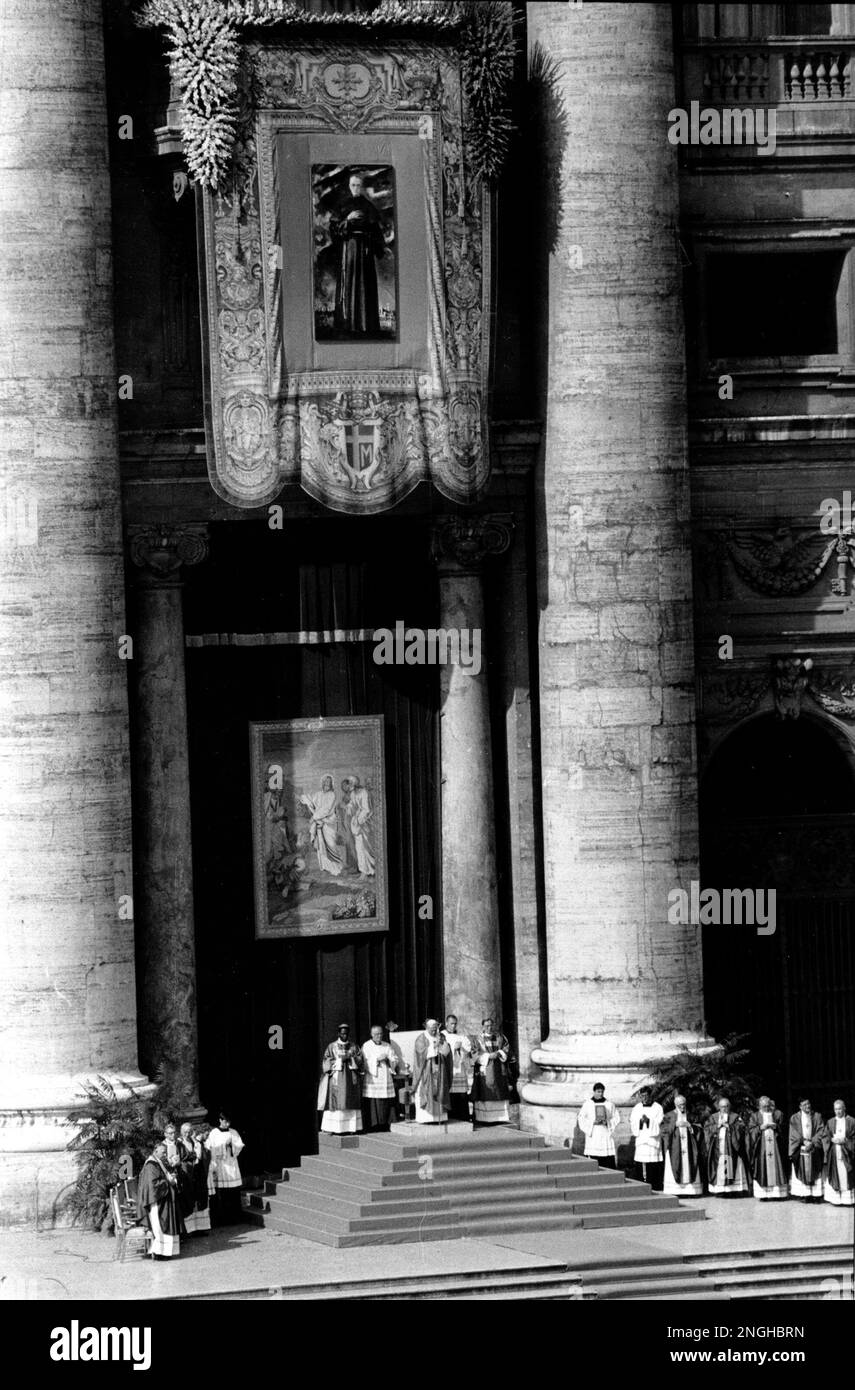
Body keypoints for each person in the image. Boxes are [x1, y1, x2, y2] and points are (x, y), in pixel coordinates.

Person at [332, 172, 385, 336]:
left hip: (365, 251)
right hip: (348, 250)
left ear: (362, 187)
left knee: (365, 285)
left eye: (358, 185)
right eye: (353, 185)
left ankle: (366, 326)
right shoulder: (342, 206)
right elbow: (333, 229)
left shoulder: (369, 206)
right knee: (349, 283)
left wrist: (374, 245)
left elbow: (376, 231)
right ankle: (347, 325)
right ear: (349, 186)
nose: (356, 188)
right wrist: (347, 220)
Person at [137, 1140, 184, 1259]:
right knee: (161, 1225)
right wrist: (168, 1181)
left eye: (165, 1152)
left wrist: (170, 1177)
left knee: (167, 1224)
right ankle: (159, 1253)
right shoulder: (150, 1165)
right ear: (155, 1151)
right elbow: (153, 1185)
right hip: (157, 1201)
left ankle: (166, 1252)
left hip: (164, 1198)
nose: (165, 1155)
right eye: (163, 1152)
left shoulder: (158, 1162)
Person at [318, 1023, 363, 1134]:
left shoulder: (353, 1046)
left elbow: (360, 1060)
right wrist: (339, 1060)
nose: (345, 1036)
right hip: (336, 1079)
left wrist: (351, 1058)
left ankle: (351, 1128)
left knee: (350, 1100)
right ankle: (333, 1128)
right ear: (338, 1033)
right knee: (336, 1102)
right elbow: (326, 1061)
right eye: (342, 1034)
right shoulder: (332, 1046)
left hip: (350, 1079)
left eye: (346, 1034)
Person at [205, 1112, 245, 1225]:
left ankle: (235, 1217)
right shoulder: (214, 1133)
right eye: (225, 1121)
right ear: (220, 1120)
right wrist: (223, 1145)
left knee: (233, 1192)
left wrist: (231, 1145)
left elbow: (239, 1146)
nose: (227, 1123)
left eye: (229, 1121)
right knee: (222, 1193)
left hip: (232, 1164)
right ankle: (222, 1219)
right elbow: (209, 1147)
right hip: (221, 1166)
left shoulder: (233, 1132)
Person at [704, 1096, 750, 1195]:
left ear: (729, 1107)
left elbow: (742, 1129)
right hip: (718, 1148)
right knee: (720, 1166)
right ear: (719, 1107)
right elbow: (707, 1129)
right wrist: (717, 1126)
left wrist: (730, 1127)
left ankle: (732, 1190)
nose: (724, 1109)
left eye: (726, 1106)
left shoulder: (735, 1116)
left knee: (731, 1165)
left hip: (731, 1149)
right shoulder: (713, 1117)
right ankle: (720, 1190)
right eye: (722, 1107)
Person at [471, 1018, 512, 1125]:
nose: (489, 1028)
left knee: (499, 1091)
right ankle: (485, 1118)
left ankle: (500, 1118)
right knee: (486, 1092)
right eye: (486, 1026)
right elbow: (474, 1053)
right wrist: (489, 1056)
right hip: (486, 1069)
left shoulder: (500, 1037)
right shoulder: (478, 1039)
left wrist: (499, 1053)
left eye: (491, 1025)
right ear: (483, 1026)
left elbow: (507, 1048)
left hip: (499, 1068)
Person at [299, 776, 343, 876]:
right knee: (321, 847)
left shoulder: (332, 795)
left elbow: (326, 809)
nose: (327, 784)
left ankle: (336, 867)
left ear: (331, 784)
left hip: (329, 824)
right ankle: (325, 868)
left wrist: (314, 817)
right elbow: (311, 801)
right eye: (325, 782)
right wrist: (304, 798)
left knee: (331, 845)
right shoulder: (318, 794)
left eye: (329, 782)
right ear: (322, 783)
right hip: (319, 824)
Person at [661, 1094, 704, 1197]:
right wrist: (674, 1125)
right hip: (675, 1147)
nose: (682, 1107)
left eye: (684, 1104)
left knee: (690, 1164)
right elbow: (663, 1130)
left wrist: (690, 1126)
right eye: (680, 1105)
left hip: (689, 1147)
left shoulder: (691, 1115)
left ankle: (691, 1191)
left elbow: (700, 1128)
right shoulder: (669, 1116)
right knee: (676, 1164)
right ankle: (676, 1191)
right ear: (675, 1105)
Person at [411, 1018, 452, 1124]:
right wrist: (434, 1046)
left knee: (440, 1090)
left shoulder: (441, 1036)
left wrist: (445, 1047)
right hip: (426, 1071)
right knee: (427, 1091)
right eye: (432, 1029)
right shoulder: (421, 1038)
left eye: (435, 1029)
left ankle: (440, 1117)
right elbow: (421, 1054)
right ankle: (426, 1118)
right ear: (426, 1028)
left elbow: (447, 1050)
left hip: (440, 1069)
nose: (434, 1032)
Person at [747, 1096, 788, 1201]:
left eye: (768, 1106)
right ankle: (763, 1194)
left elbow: (785, 1128)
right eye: (764, 1106)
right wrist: (760, 1128)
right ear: (759, 1106)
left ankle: (778, 1194)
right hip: (761, 1149)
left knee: (777, 1166)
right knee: (762, 1167)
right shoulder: (755, 1116)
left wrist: (777, 1127)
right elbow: (750, 1131)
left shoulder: (778, 1114)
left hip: (776, 1149)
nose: (767, 1108)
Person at [361, 1024, 398, 1132]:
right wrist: (376, 1060)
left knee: (385, 1101)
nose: (379, 1036)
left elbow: (395, 1059)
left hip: (385, 1076)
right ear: (371, 1035)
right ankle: (373, 1125)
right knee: (374, 1101)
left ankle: (385, 1124)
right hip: (373, 1078)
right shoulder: (367, 1046)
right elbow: (364, 1062)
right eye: (376, 1034)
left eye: (381, 1033)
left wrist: (388, 1060)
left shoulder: (387, 1045)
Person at [788, 1097, 825, 1201]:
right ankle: (804, 1194)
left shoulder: (817, 1116)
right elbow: (793, 1133)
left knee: (815, 1169)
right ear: (800, 1106)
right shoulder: (794, 1118)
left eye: (808, 1104)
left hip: (814, 1147)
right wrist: (803, 1141)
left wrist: (812, 1142)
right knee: (802, 1169)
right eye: (804, 1105)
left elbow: (821, 1130)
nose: (807, 1106)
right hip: (801, 1147)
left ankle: (816, 1194)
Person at [177, 1122, 211, 1234]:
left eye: (189, 1132)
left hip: (195, 1173)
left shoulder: (193, 1142)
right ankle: (189, 1229)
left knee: (198, 1199)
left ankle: (200, 1227)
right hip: (185, 1174)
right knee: (187, 1200)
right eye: (185, 1132)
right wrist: (192, 1156)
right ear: (181, 1132)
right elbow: (182, 1157)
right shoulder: (179, 1143)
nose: (187, 1134)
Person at [578, 1082, 619, 1168]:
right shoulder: (588, 1104)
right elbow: (581, 1118)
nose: (600, 1094)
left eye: (602, 1092)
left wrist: (607, 1123)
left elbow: (616, 1117)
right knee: (594, 1159)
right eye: (598, 1091)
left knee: (607, 1160)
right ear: (594, 1091)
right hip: (594, 1135)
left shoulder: (609, 1104)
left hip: (605, 1134)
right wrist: (592, 1122)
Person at [630, 1086, 664, 1190]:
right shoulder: (637, 1108)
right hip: (641, 1139)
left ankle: (655, 1184)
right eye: (642, 1096)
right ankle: (640, 1184)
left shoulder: (657, 1107)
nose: (644, 1098)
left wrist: (649, 1121)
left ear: (650, 1095)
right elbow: (632, 1121)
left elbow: (660, 1121)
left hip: (652, 1139)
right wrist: (640, 1121)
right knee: (640, 1161)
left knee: (653, 1162)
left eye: (646, 1096)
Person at [822, 1099, 855, 1207]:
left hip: (847, 1152)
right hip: (835, 1152)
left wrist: (845, 1141)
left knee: (847, 1174)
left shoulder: (851, 1121)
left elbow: (853, 1137)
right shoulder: (830, 1122)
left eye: (840, 1108)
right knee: (836, 1173)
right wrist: (831, 1140)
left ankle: (847, 1200)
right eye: (836, 1109)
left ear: (844, 1108)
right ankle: (836, 1199)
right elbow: (825, 1136)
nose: (838, 1111)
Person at [441, 1014, 473, 1122]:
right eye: (451, 1023)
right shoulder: (442, 1035)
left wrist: (462, 1047)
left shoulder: (461, 1036)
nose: (453, 1026)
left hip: (460, 1068)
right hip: (449, 1068)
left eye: (455, 1024)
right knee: (450, 1092)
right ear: (446, 1023)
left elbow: (468, 1048)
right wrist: (453, 1047)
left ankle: (463, 1117)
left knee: (461, 1094)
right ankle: (451, 1117)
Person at [341, 775, 375, 878]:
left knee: (364, 848)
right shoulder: (353, 793)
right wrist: (346, 807)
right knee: (359, 847)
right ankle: (364, 871)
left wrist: (359, 820)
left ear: (354, 784)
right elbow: (352, 805)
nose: (349, 787)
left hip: (364, 823)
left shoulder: (364, 792)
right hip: (356, 824)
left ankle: (367, 870)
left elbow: (367, 809)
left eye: (350, 784)